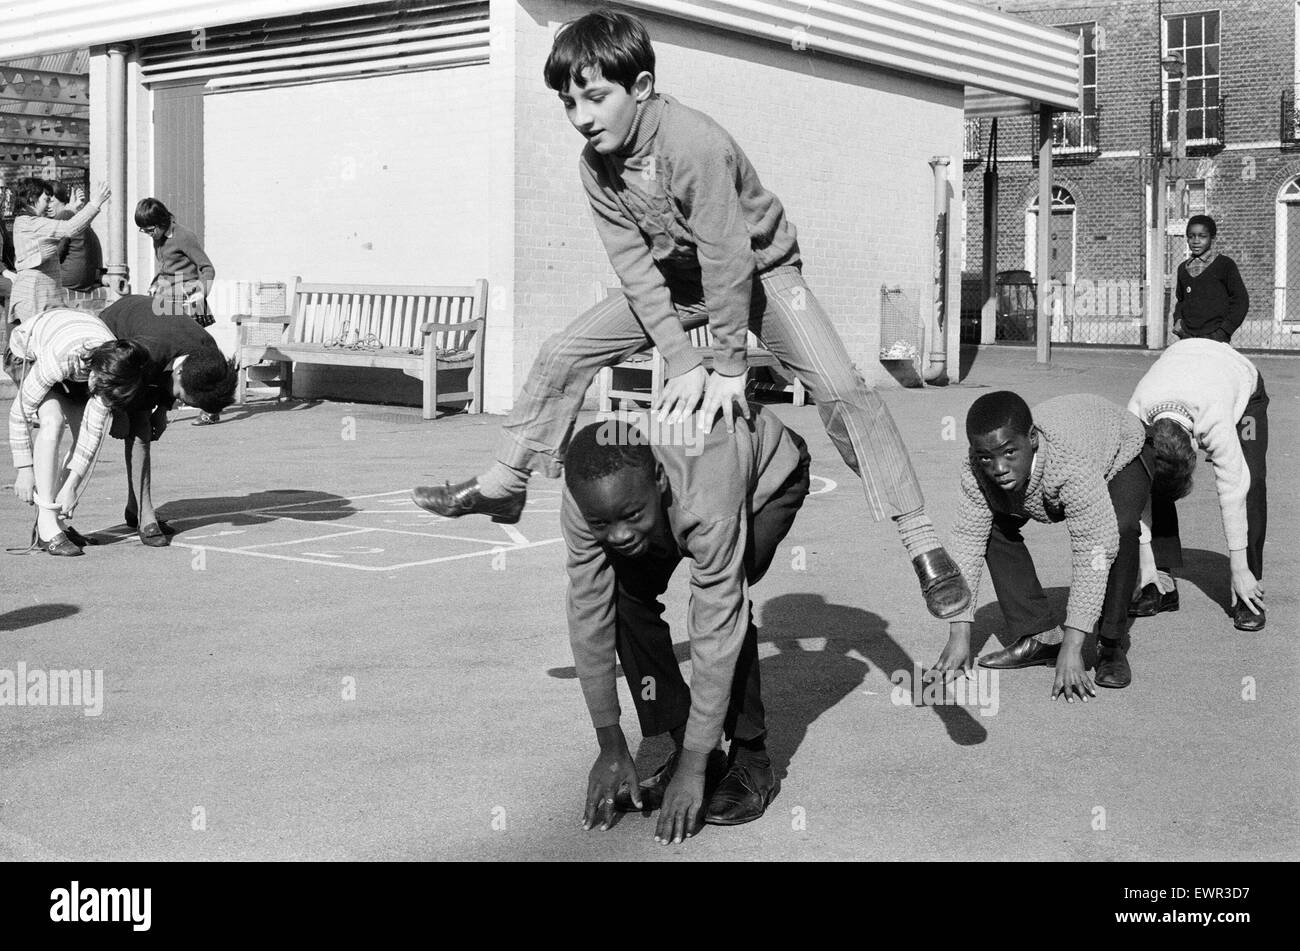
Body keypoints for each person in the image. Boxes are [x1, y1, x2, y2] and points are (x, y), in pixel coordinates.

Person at [414, 8, 969, 620]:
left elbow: (727, 255)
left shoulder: (693, 142)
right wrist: (681, 360)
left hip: (762, 274)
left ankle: (921, 541)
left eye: (595, 99)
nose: (582, 119)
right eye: (569, 105)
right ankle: (505, 482)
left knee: (841, 387)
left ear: (642, 88)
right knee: (562, 352)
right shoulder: (595, 165)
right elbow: (634, 268)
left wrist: (728, 365)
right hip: (678, 285)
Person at [564, 406, 809, 844]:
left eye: (631, 516)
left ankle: (752, 759)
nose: (618, 535)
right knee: (620, 599)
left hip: (763, 478)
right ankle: (690, 743)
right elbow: (588, 613)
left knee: (730, 599)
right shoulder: (591, 496)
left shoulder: (706, 502)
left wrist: (691, 771)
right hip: (675, 492)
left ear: (658, 481)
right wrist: (610, 742)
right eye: (603, 524)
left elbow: (716, 628)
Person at [930, 392, 1152, 697]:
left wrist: (1074, 646)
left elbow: (1094, 549)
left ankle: (1110, 645)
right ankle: (1040, 636)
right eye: (986, 457)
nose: (998, 468)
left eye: (1009, 453)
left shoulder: (1070, 464)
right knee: (989, 526)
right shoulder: (976, 471)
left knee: (1119, 527)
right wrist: (959, 634)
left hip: (1120, 448)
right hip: (1052, 472)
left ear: (1032, 438)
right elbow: (967, 541)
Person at [1126, 338, 1267, 631]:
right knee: (1149, 478)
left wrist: (1237, 567)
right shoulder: (1135, 417)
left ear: (1195, 445)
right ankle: (1159, 579)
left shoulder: (1215, 421)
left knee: (1250, 480)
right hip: (1182, 365)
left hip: (1239, 381)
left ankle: (1248, 584)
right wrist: (1145, 560)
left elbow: (1232, 489)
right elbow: (1134, 490)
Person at [96, 295, 238, 546]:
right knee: (139, 428)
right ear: (181, 372)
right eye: (183, 399)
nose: (181, 404)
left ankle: (135, 508)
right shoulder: (148, 354)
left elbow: (173, 383)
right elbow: (119, 374)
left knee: (144, 426)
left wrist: (162, 410)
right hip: (113, 332)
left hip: (156, 334)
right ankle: (145, 515)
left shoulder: (207, 354)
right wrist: (118, 411)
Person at [6, 307, 148, 555]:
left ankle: (53, 522)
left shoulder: (114, 369)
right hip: (27, 354)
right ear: (96, 371)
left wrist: (72, 486)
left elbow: (90, 435)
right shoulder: (60, 360)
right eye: (100, 388)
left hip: (78, 362)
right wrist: (24, 470)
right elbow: (19, 414)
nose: (100, 396)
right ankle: (47, 524)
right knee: (52, 421)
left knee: (84, 425)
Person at [135, 197, 221, 424]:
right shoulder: (160, 237)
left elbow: (207, 268)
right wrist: (156, 285)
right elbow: (167, 268)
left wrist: (201, 293)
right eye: (143, 230)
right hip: (166, 298)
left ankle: (211, 407)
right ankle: (171, 399)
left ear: (161, 221)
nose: (148, 234)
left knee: (198, 357)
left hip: (189, 298)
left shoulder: (184, 236)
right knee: (167, 350)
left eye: (149, 229)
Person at [6, 177, 110, 325]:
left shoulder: (26, 222)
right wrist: (95, 203)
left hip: (40, 293)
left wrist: (72, 209)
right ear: (31, 198)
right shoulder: (30, 223)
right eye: (46, 199)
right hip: (34, 295)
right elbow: (68, 228)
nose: (48, 205)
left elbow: (57, 226)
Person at [1172, 214, 1248, 343]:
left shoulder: (1224, 265)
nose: (1196, 241)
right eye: (1191, 236)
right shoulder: (1183, 269)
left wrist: (1224, 331)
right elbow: (1181, 300)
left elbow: (1240, 300)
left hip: (1215, 336)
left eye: (1202, 236)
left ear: (1212, 238)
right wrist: (1178, 322)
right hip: (1187, 335)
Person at [48, 182, 104, 295]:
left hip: (72, 279)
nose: (48, 206)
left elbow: (55, 254)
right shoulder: (75, 216)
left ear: (63, 201)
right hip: (87, 279)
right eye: (46, 201)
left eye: (52, 201)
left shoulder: (63, 216)